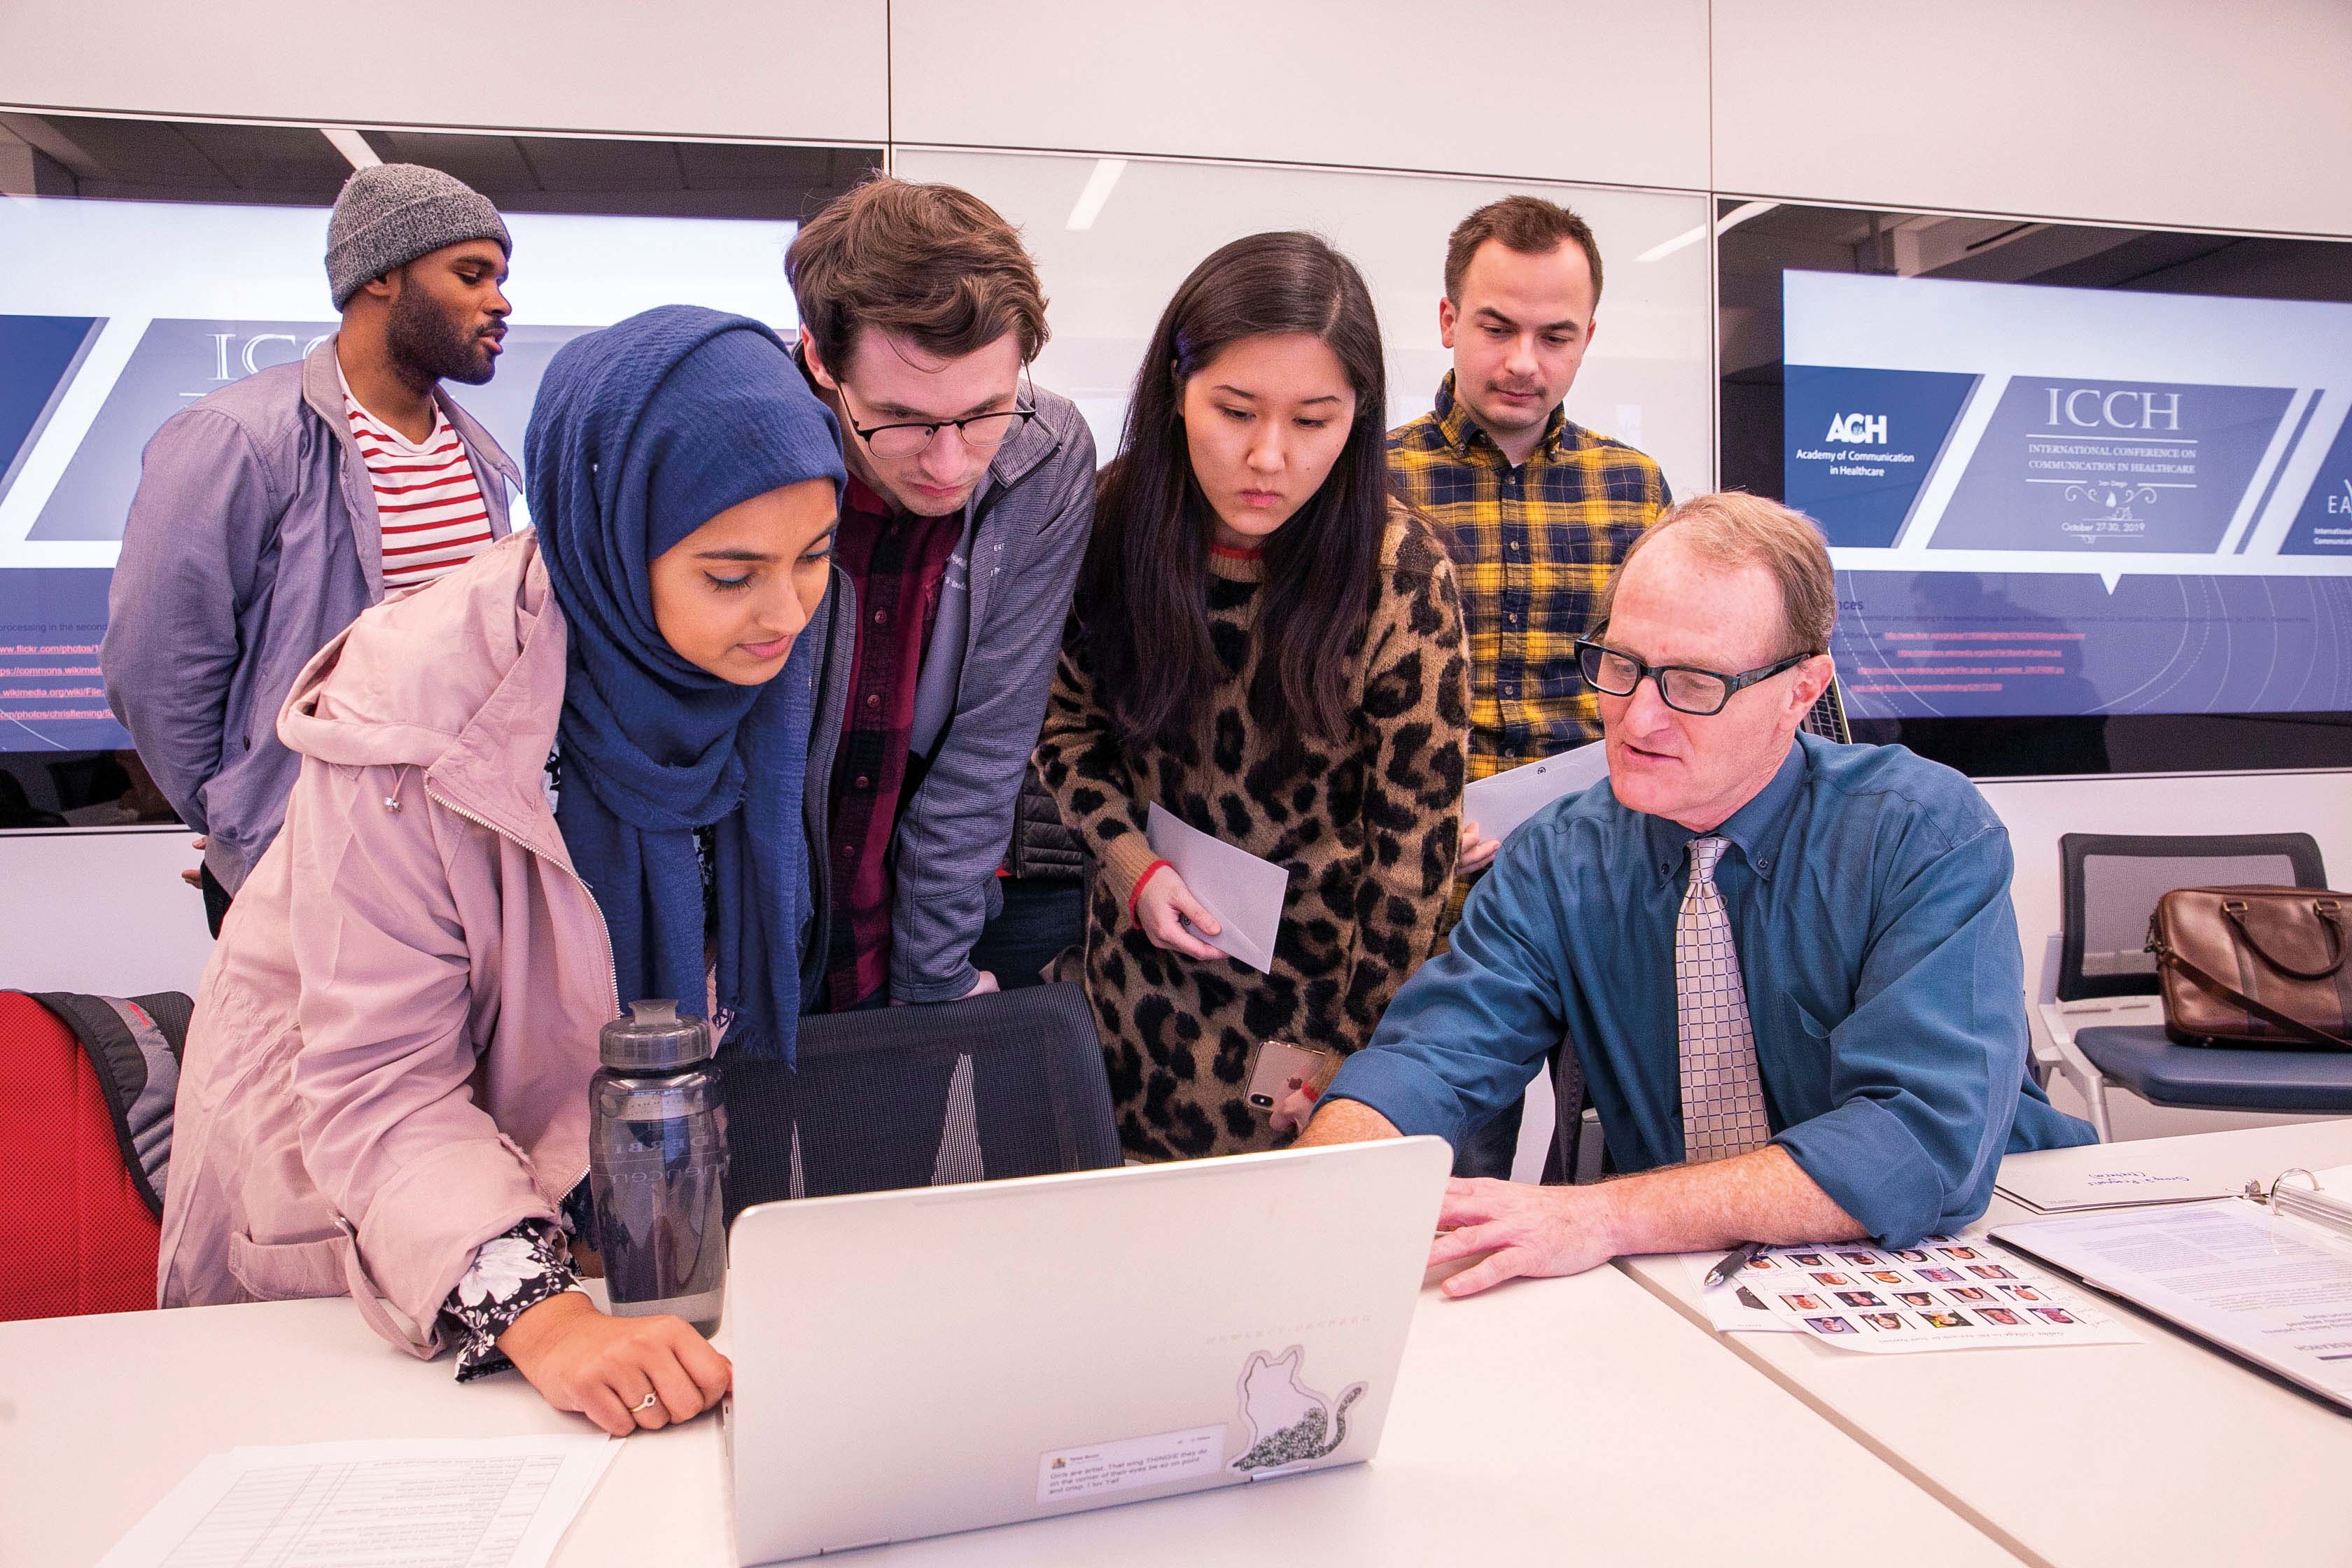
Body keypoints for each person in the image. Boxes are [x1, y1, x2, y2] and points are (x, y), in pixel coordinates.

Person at [156, 307, 853, 1436]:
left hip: (597, 1215)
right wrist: (546, 1316)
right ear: (609, 546)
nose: (786, 612)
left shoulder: (773, 662)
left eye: (815, 557)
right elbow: (381, 1086)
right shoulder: (419, 707)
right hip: (385, 1226)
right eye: (732, 574)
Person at [1286, 491, 2094, 1292]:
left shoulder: (1920, 830)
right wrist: (1320, 1181)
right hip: (1701, 1277)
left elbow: (1916, 1143)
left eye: (1694, 683)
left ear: (1801, 691)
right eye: (1621, 665)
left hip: (1982, 1250)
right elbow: (1434, 1058)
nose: (1637, 719)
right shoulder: (1560, 857)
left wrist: (1602, 1214)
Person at [1036, 232, 1470, 1161]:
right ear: (1175, 395)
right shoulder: (1114, 528)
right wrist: (1130, 866)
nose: (1269, 457)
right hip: (1138, 997)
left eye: (1314, 422)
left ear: (1359, 420)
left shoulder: (1400, 576)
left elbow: (1412, 869)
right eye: (1235, 411)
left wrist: (1349, 1058)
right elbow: (1064, 728)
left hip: (1312, 1021)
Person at [104, 163, 522, 937]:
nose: (499, 301)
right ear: (383, 276)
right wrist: (243, 813)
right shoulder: (238, 438)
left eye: (499, 278)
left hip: (449, 865)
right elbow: (155, 661)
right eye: (471, 274)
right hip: (299, 868)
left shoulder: (479, 458)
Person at [1387, 194, 1675, 1177]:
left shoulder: (1634, 488)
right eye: (1497, 328)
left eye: (1555, 336)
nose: (1524, 362)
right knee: (1439, 1175)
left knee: (1621, 1168)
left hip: (1603, 881)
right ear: (1446, 322)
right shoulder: (1367, 484)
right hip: (1431, 905)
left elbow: (1667, 692)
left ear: (1588, 337)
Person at [783, 176, 1096, 1009]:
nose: (951, 464)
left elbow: (987, 749)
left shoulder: (1047, 452)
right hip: (750, 951)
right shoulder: (752, 446)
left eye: (987, 411)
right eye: (904, 419)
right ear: (820, 358)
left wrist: (937, 978)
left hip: (917, 935)